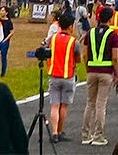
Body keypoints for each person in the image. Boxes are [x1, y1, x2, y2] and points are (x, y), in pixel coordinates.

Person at [82, 6, 118, 146]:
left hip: (91, 70)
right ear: (110, 18)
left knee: (90, 104)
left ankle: (86, 134)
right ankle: (98, 135)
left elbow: (85, 54)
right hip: (106, 72)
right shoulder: (112, 35)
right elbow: (115, 58)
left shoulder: (90, 33)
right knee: (101, 105)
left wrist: (88, 67)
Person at [44, 10, 81, 145]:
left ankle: (53, 132)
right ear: (70, 26)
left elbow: (45, 47)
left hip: (54, 75)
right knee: (63, 106)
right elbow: (78, 59)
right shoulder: (73, 41)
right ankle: (60, 131)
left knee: (54, 105)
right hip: (68, 76)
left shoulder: (53, 38)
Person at [0, 6, 14, 76]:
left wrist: (5, 39)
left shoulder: (9, 22)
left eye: (3, 11)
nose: (1, 12)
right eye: (1, 10)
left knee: (3, 57)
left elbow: (12, 32)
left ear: (6, 13)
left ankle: (3, 73)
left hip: (5, 41)